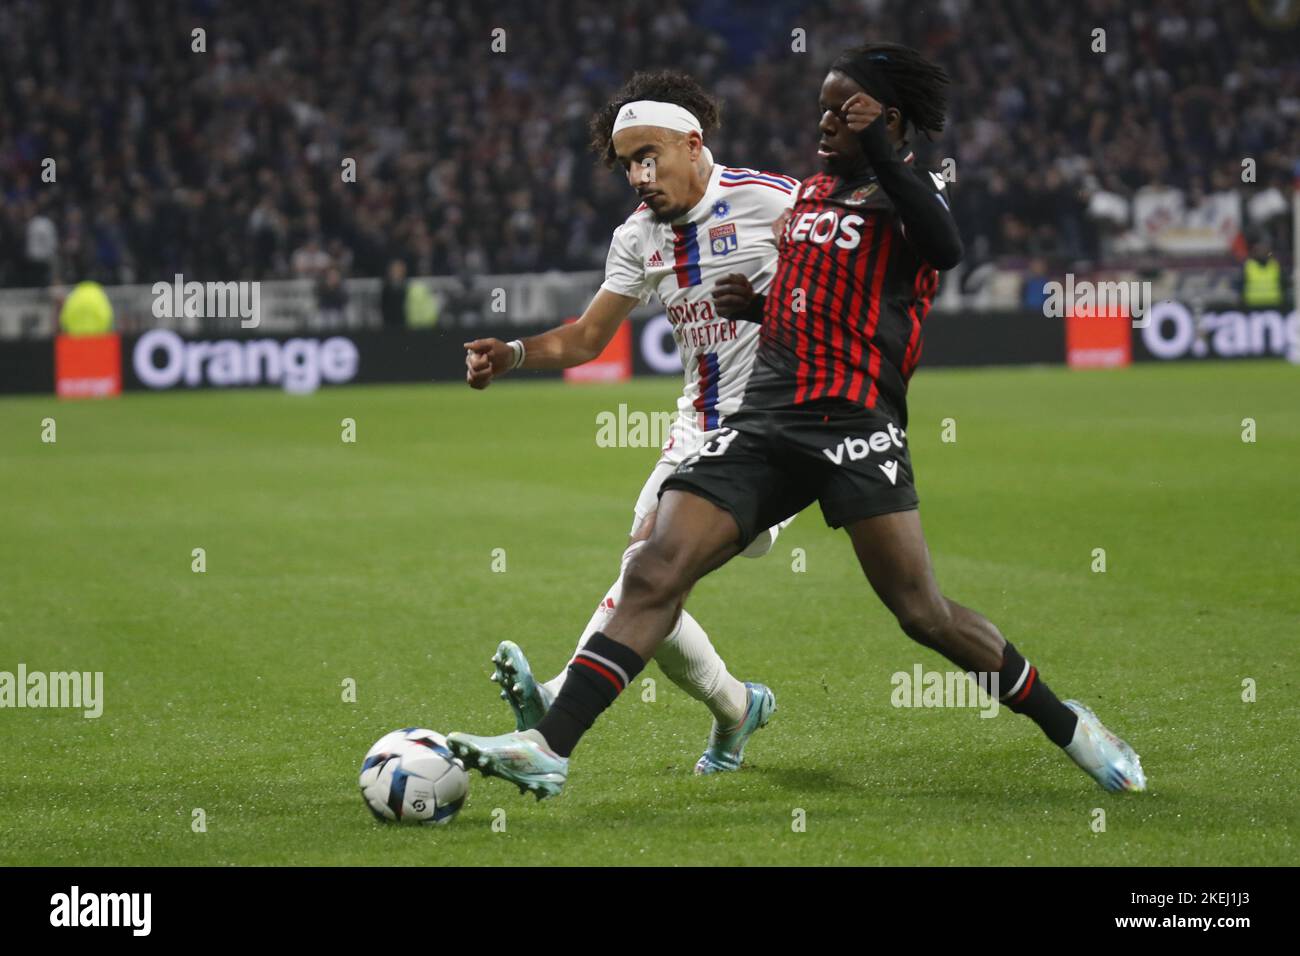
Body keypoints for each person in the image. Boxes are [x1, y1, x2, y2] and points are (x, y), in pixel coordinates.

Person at [449, 43, 1147, 800]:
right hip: (766, 420)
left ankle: (1069, 725)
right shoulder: (809, 197)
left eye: (840, 111)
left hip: (853, 422)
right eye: (820, 108)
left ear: (887, 120)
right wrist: (763, 308)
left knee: (922, 613)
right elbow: (808, 296)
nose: (822, 123)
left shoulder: (897, 195)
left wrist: (879, 145)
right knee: (652, 564)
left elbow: (942, 248)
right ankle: (550, 744)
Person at [460, 71, 801, 775]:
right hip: (695, 428)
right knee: (651, 575)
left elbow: (844, 293)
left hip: (779, 433)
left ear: (693, 142)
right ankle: (739, 709)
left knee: (650, 564)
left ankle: (557, 703)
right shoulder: (639, 237)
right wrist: (515, 353)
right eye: (627, 165)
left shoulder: (772, 202)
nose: (639, 176)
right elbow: (587, 339)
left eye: (650, 155)